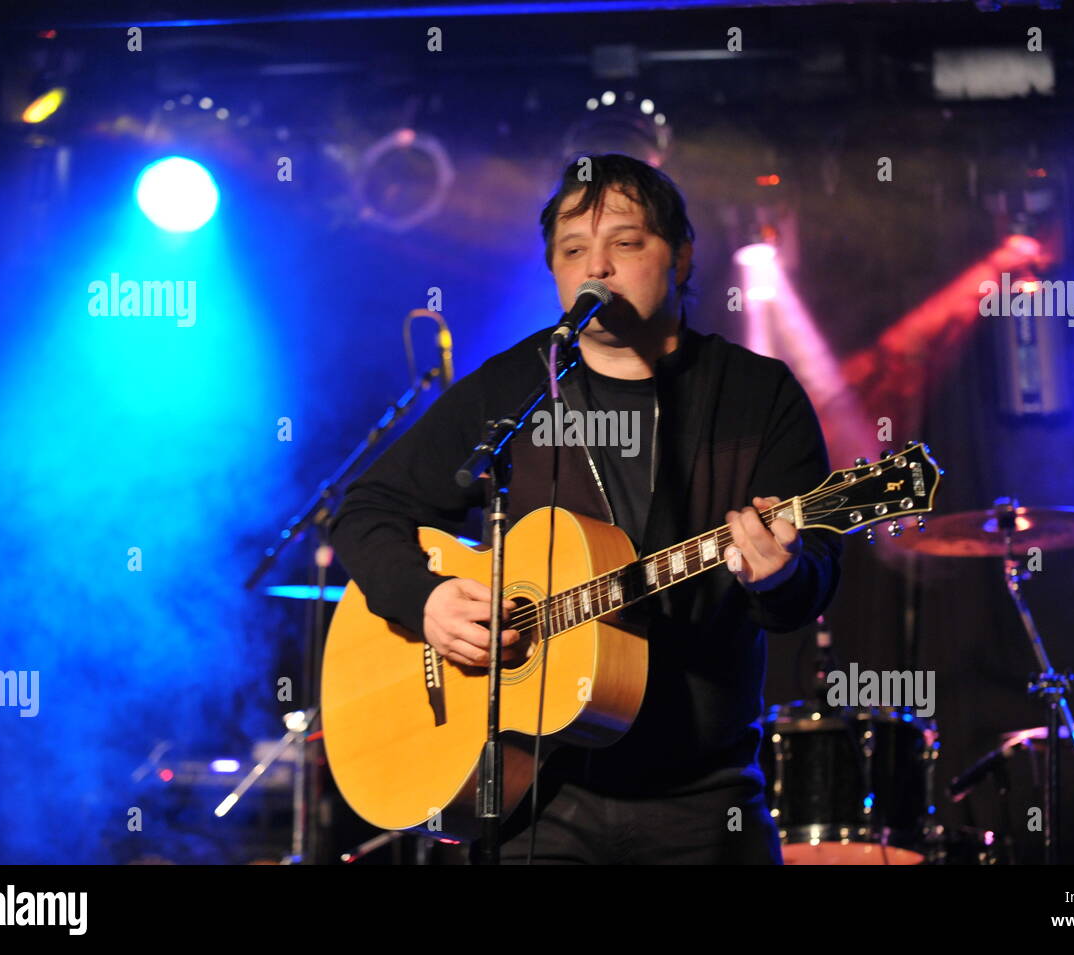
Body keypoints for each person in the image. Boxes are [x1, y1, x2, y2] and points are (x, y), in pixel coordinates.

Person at [329, 153, 842, 864]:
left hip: (701, 797)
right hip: (534, 791)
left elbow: (805, 587)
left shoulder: (758, 393)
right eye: (573, 251)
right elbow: (366, 509)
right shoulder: (514, 389)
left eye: (625, 243)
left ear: (681, 255)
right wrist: (427, 600)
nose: (595, 267)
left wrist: (780, 575)